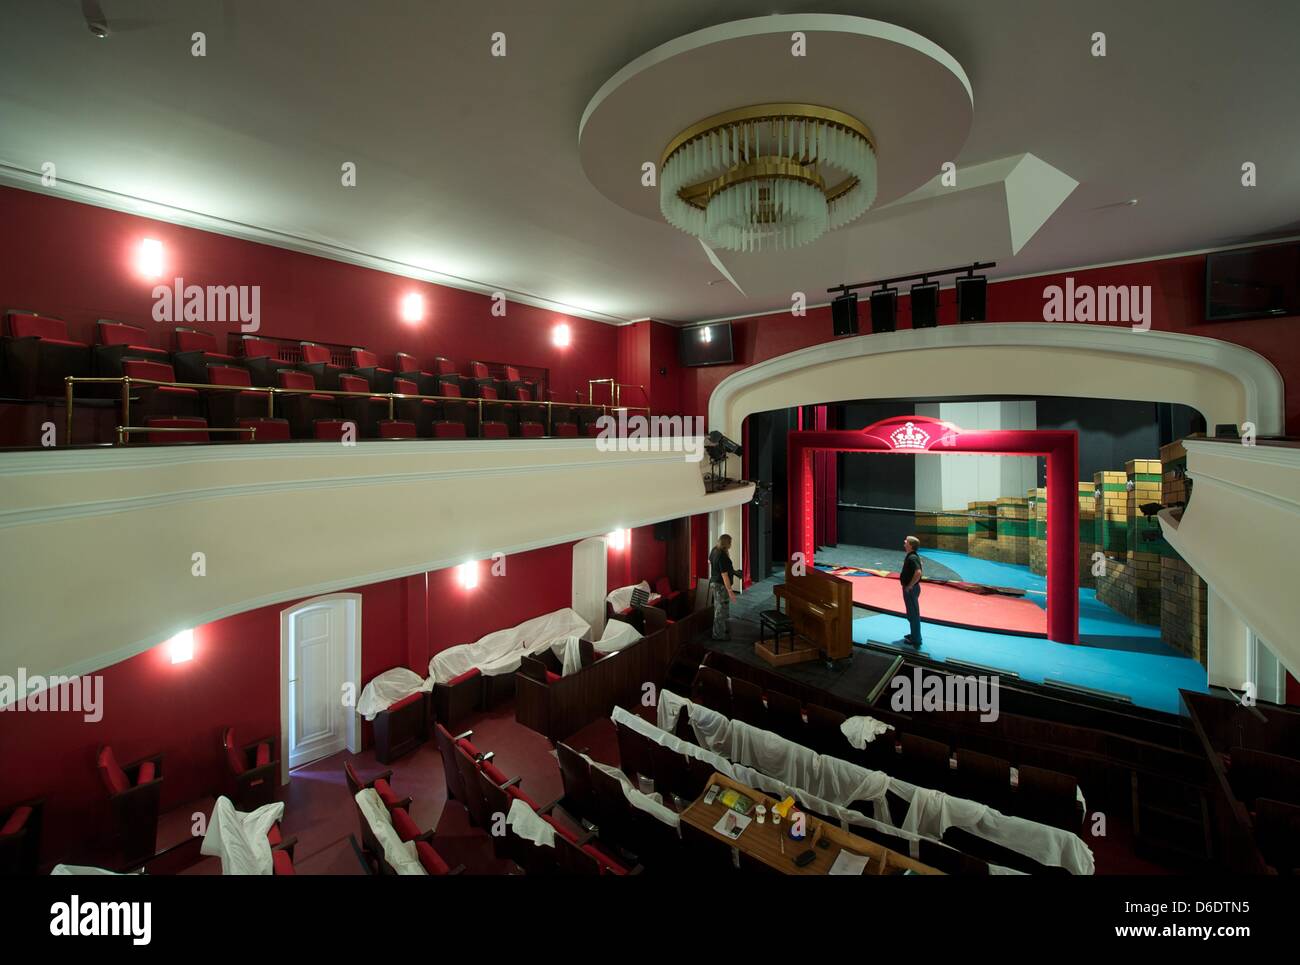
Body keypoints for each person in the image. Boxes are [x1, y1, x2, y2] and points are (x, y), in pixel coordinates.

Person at [709, 534, 737, 641]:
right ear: (726, 543)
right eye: (730, 542)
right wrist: (730, 591)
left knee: (720, 608)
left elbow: (709, 561)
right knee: (720, 610)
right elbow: (724, 575)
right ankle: (717, 635)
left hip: (714, 584)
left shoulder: (714, 550)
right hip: (720, 586)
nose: (731, 544)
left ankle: (721, 629)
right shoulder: (722, 556)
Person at [900, 535, 924, 646]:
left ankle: (916, 639)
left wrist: (910, 585)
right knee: (911, 614)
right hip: (910, 589)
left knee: (913, 614)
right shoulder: (912, 556)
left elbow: (918, 572)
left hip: (911, 590)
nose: (904, 543)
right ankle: (914, 635)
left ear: (910, 545)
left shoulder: (912, 557)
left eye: (906, 542)